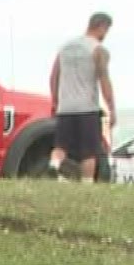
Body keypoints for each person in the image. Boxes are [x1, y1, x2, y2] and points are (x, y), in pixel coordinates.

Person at [47, 11, 117, 183]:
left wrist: (55, 101)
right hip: (87, 109)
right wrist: (112, 108)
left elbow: (53, 76)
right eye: (106, 31)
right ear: (102, 27)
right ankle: (87, 185)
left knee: (61, 147)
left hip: (65, 108)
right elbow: (104, 80)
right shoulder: (98, 50)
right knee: (89, 151)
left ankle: (54, 164)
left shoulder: (64, 48)